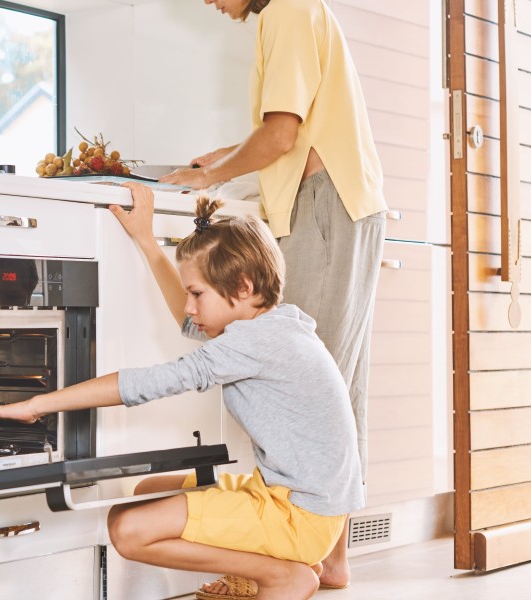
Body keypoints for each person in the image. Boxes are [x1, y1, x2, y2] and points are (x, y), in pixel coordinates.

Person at [0, 183, 363, 600]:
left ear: (243, 287)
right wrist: (146, 239)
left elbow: (146, 384)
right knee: (145, 493)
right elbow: (191, 322)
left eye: (197, 293)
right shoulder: (276, 327)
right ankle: (282, 565)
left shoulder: (254, 343)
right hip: (302, 506)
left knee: (127, 529)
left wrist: (37, 405)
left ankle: (282, 575)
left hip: (297, 516)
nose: (190, 307)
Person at [160, 0, 388, 588]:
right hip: (327, 205)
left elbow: (282, 134)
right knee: (332, 378)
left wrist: (211, 177)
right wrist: (229, 158)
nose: (208, 3)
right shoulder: (294, 10)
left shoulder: (286, 9)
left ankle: (311, 556)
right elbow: (288, 130)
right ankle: (325, 555)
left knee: (313, 378)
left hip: (324, 207)